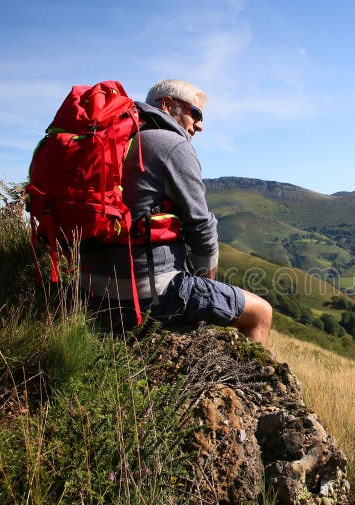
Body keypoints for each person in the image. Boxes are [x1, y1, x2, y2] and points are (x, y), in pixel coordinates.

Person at [80, 79, 272, 343]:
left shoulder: (111, 140)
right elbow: (201, 227)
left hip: (89, 288)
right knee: (261, 312)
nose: (200, 125)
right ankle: (257, 383)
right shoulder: (172, 145)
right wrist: (208, 281)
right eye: (196, 113)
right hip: (147, 294)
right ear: (167, 105)